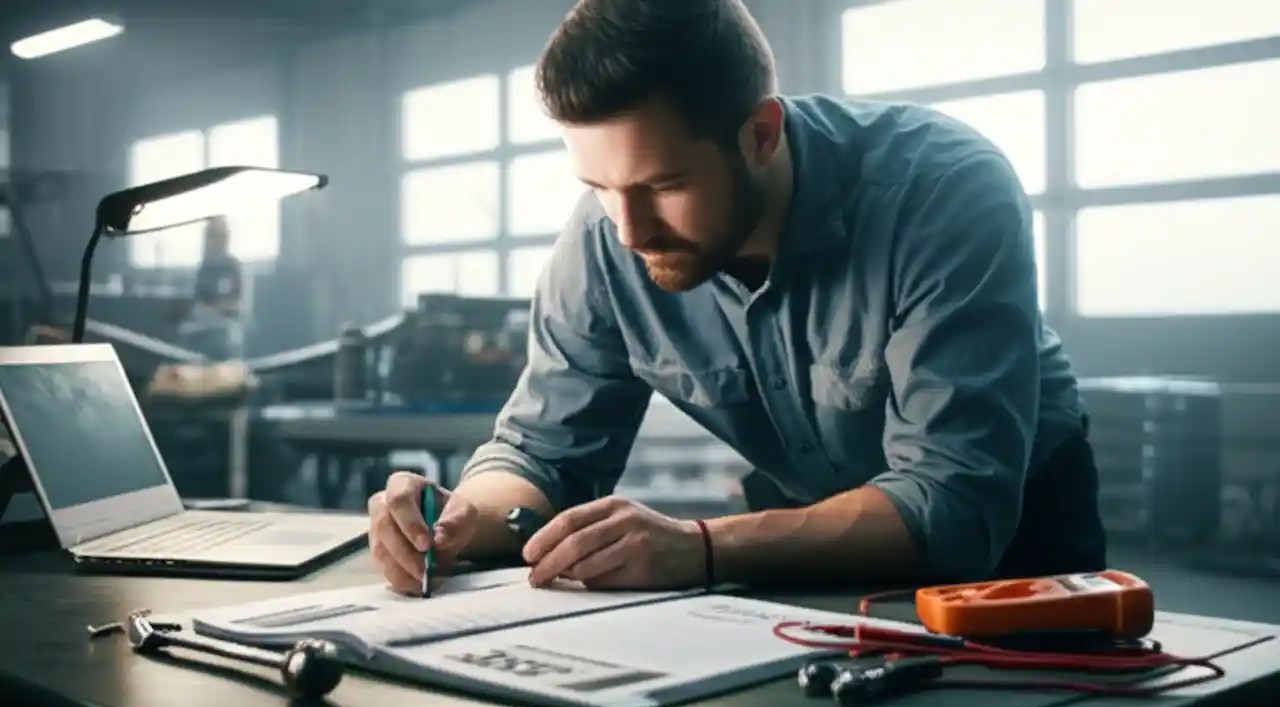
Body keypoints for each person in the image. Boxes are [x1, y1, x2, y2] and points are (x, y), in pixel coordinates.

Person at [367, 0, 1105, 594]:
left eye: (666, 186)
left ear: (760, 133)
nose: (629, 232)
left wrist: (698, 547)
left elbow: (951, 508)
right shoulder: (604, 234)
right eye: (600, 190)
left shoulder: (943, 190)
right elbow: (540, 454)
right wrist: (460, 519)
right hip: (804, 537)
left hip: (1016, 538)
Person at [179, 216, 245, 360]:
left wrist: (220, 310)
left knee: (225, 338)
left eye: (218, 235)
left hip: (227, 325)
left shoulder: (233, 267)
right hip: (203, 325)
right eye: (211, 235)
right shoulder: (204, 268)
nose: (215, 240)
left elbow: (238, 304)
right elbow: (196, 300)